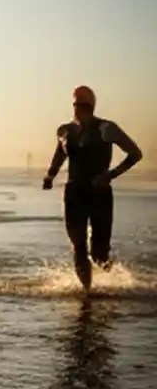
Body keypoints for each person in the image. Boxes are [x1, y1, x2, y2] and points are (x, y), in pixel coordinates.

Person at [42, 86, 143, 292]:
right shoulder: (65, 131)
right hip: (74, 193)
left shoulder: (106, 128)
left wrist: (110, 175)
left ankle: (119, 284)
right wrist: (50, 175)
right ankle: (86, 293)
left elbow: (135, 153)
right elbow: (60, 155)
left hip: (100, 194)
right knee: (78, 247)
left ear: (90, 106)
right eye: (76, 105)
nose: (78, 109)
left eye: (82, 105)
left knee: (99, 254)